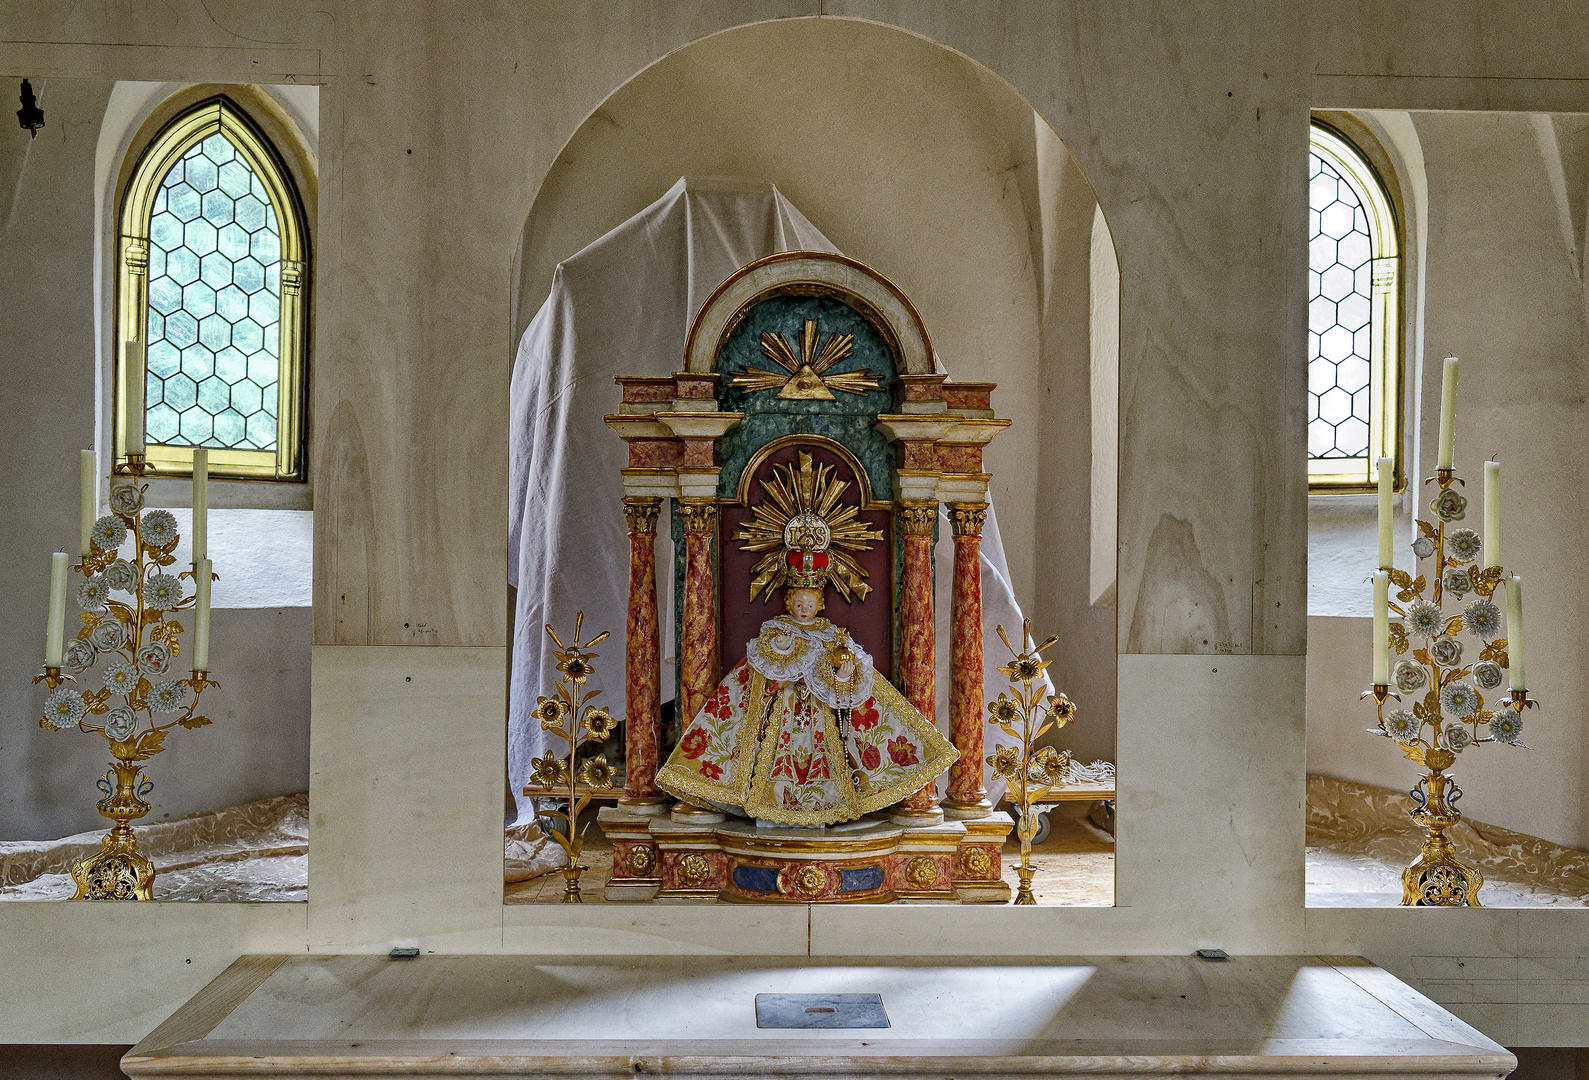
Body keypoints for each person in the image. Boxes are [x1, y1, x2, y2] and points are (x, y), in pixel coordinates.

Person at [655, 572, 957, 828]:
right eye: (798, 603)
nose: (803, 609)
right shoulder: (777, 631)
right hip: (785, 709)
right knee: (777, 754)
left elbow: (846, 673)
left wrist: (843, 673)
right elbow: (763, 670)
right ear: (789, 603)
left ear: (820, 605)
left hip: (818, 712)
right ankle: (772, 808)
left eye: (809, 604)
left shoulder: (830, 634)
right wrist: (783, 650)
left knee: (823, 758)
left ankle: (823, 806)